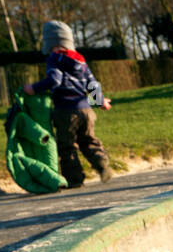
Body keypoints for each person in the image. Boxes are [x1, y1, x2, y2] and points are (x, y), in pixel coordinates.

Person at [23, 20, 111, 188]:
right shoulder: (81, 60)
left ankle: (75, 179)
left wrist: (34, 88)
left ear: (51, 44)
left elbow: (54, 80)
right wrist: (100, 101)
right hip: (86, 110)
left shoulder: (54, 59)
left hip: (65, 110)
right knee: (89, 141)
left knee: (67, 145)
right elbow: (91, 83)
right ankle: (102, 164)